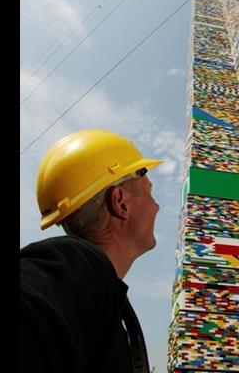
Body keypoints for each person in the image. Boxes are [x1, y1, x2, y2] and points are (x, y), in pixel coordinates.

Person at [20, 129, 162, 373]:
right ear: (121, 202)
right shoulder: (77, 268)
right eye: (149, 192)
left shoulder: (97, 300)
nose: (157, 206)